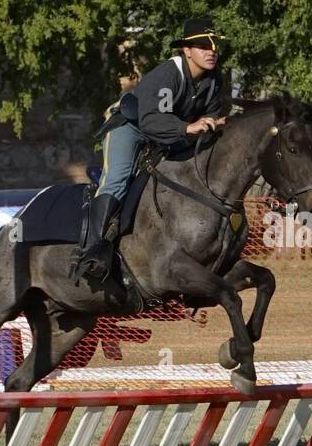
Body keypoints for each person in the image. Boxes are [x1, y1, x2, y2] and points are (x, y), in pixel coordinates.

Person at [71, 16, 229, 281]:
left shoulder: (214, 79)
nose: (210, 51)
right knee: (117, 181)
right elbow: (152, 120)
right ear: (186, 50)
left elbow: (210, 115)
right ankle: (92, 252)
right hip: (131, 127)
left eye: (213, 45)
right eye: (203, 45)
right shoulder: (169, 74)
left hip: (166, 136)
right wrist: (187, 128)